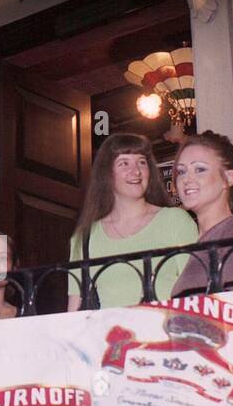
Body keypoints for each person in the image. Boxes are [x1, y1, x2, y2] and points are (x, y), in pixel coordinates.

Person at [67, 133, 197, 310]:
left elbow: (196, 294)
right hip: (109, 335)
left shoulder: (175, 221)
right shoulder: (85, 238)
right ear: (106, 173)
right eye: (124, 163)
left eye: (142, 162)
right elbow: (74, 312)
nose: (136, 171)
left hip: (167, 333)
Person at [169, 131, 233, 297]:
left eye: (199, 169)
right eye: (181, 171)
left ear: (228, 178)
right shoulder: (195, 239)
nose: (187, 179)